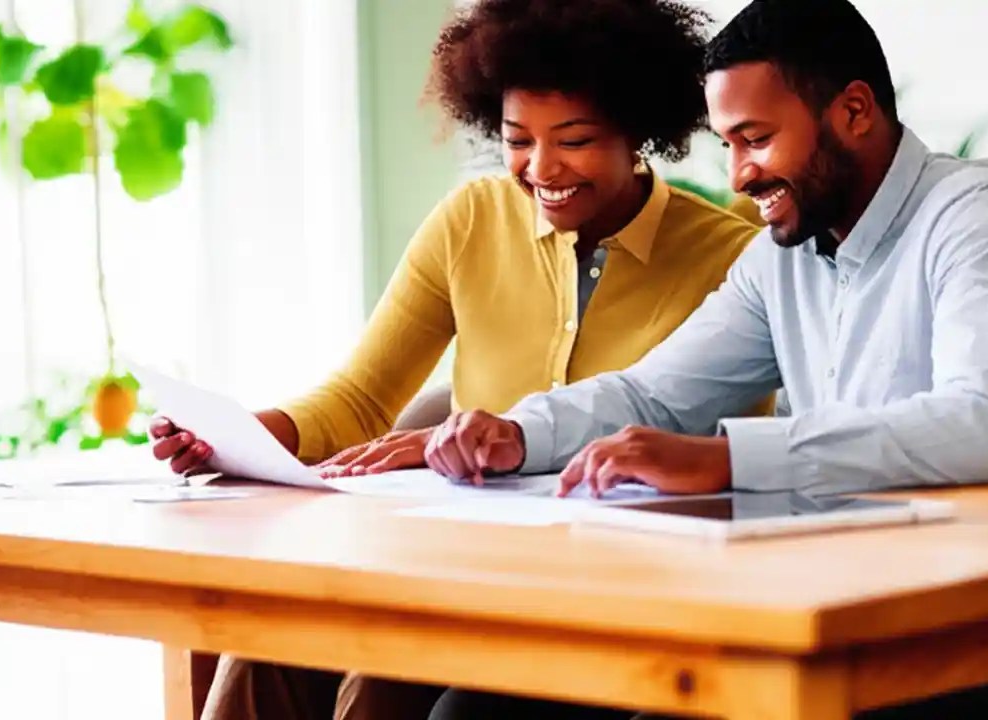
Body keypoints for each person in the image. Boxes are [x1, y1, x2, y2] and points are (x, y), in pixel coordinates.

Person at [420, 1, 988, 719]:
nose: (737, 176)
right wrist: (517, 433)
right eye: (728, 144)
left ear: (854, 111)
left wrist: (728, 458)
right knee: (481, 710)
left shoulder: (979, 212)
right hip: (861, 629)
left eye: (754, 139)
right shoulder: (780, 260)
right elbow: (654, 398)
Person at [149, 1, 765, 718]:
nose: (542, 168)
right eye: (517, 140)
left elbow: (708, 445)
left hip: (634, 581)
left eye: (575, 140)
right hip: (459, 564)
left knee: (382, 675)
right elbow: (360, 397)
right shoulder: (470, 221)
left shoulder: (730, 258)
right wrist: (237, 438)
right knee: (265, 642)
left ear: (638, 132)